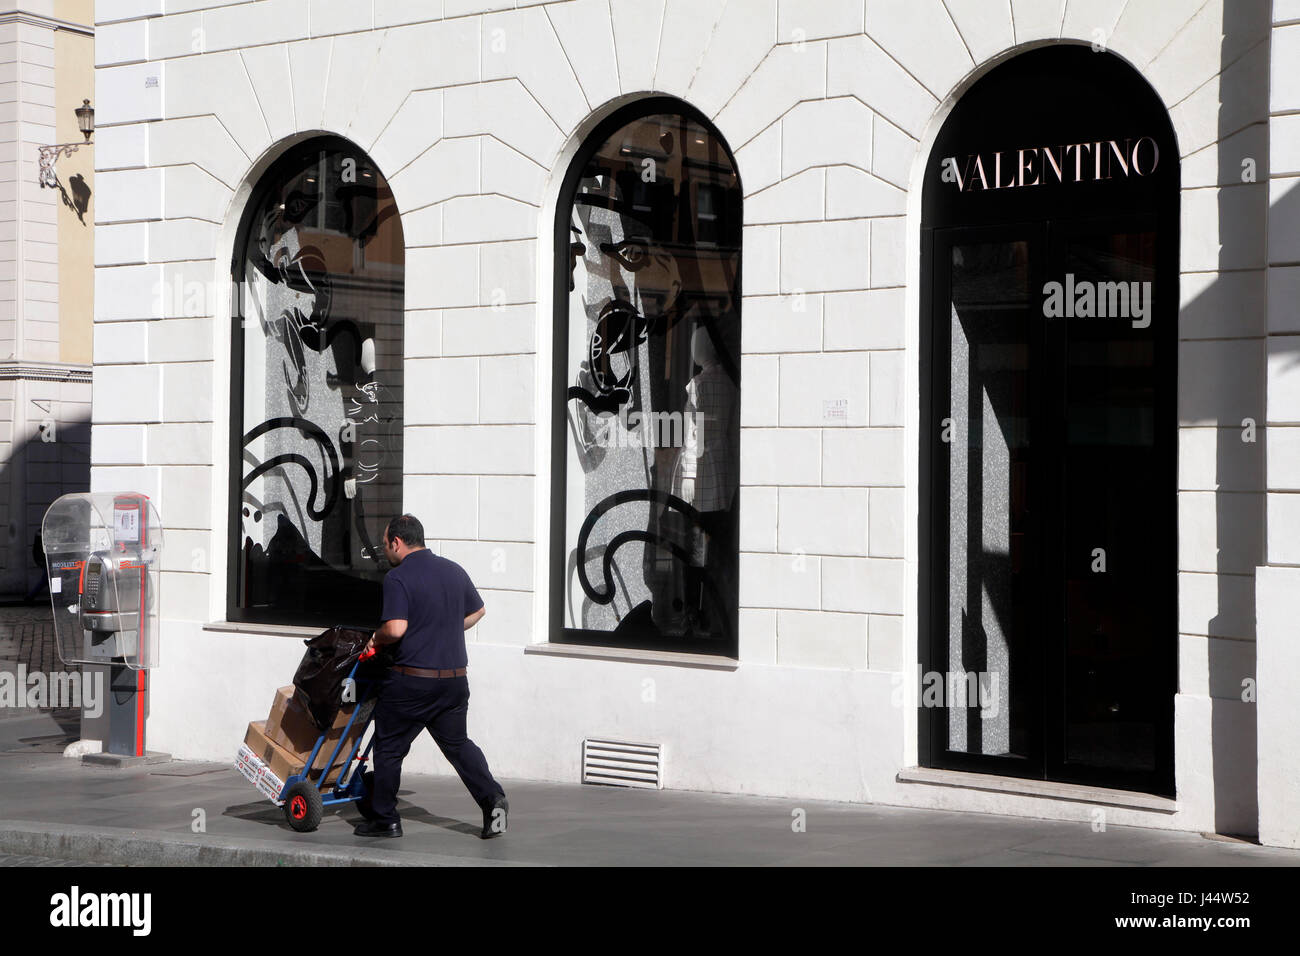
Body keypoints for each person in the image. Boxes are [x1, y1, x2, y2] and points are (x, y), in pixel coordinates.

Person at [354, 514, 508, 839]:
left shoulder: (398, 578)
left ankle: (385, 820)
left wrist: (375, 639)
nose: (385, 550)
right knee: (458, 745)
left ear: (397, 542)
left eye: (385, 544)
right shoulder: (453, 570)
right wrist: (447, 627)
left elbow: (395, 629)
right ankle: (492, 799)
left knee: (390, 747)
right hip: (454, 682)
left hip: (412, 682)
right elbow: (478, 611)